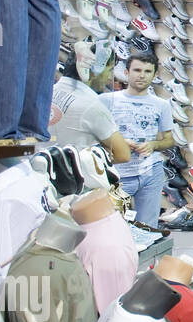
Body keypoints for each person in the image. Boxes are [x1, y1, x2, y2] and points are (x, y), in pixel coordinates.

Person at [100, 53, 174, 227]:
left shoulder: (161, 105)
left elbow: (169, 140)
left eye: (148, 71)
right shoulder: (106, 101)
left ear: (155, 75)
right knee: (111, 226)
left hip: (150, 171)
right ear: (126, 72)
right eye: (137, 70)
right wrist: (119, 143)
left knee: (148, 227)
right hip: (117, 173)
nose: (142, 75)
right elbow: (91, 137)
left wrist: (154, 144)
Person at [48, 46, 130, 162]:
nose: (109, 78)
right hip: (69, 174)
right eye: (109, 70)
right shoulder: (93, 106)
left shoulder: (47, 92)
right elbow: (123, 155)